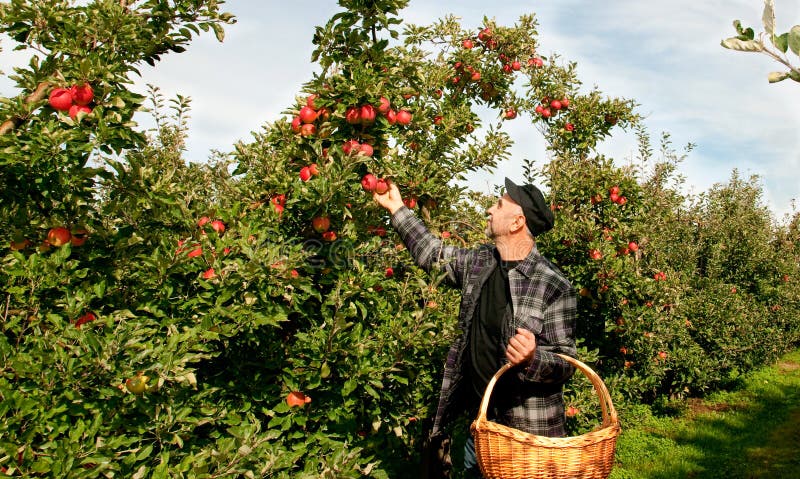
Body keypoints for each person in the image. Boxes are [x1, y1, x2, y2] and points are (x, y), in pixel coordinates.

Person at [373, 177, 577, 478]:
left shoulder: (553, 284)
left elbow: (565, 362)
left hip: (526, 433)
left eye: (497, 205)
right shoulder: (480, 261)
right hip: (481, 423)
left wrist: (533, 359)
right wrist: (397, 208)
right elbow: (433, 253)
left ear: (516, 222)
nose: (489, 211)